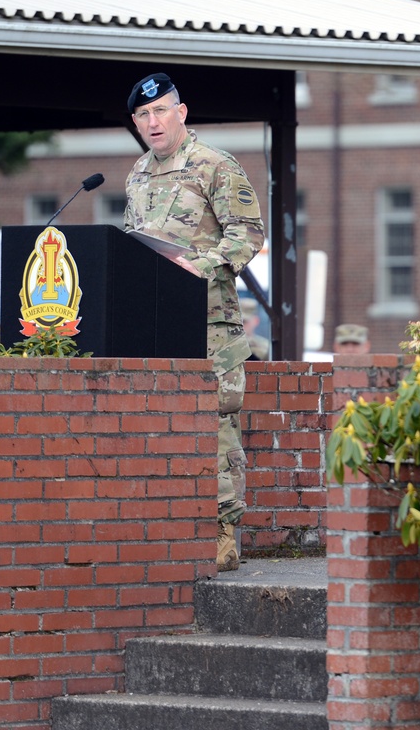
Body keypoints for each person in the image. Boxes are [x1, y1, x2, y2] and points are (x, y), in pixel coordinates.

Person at [123, 73, 264, 572]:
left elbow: (248, 234)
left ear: (182, 112)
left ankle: (226, 533)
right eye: (142, 115)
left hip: (210, 324)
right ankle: (172, 527)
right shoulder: (138, 173)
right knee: (165, 424)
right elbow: (131, 241)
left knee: (217, 425)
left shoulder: (215, 166)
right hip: (157, 324)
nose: (152, 122)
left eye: (161, 110)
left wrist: (197, 267)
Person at [240, 297, 270, 361]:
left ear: (256, 321)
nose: (240, 325)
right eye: (238, 322)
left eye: (244, 322)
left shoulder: (266, 347)